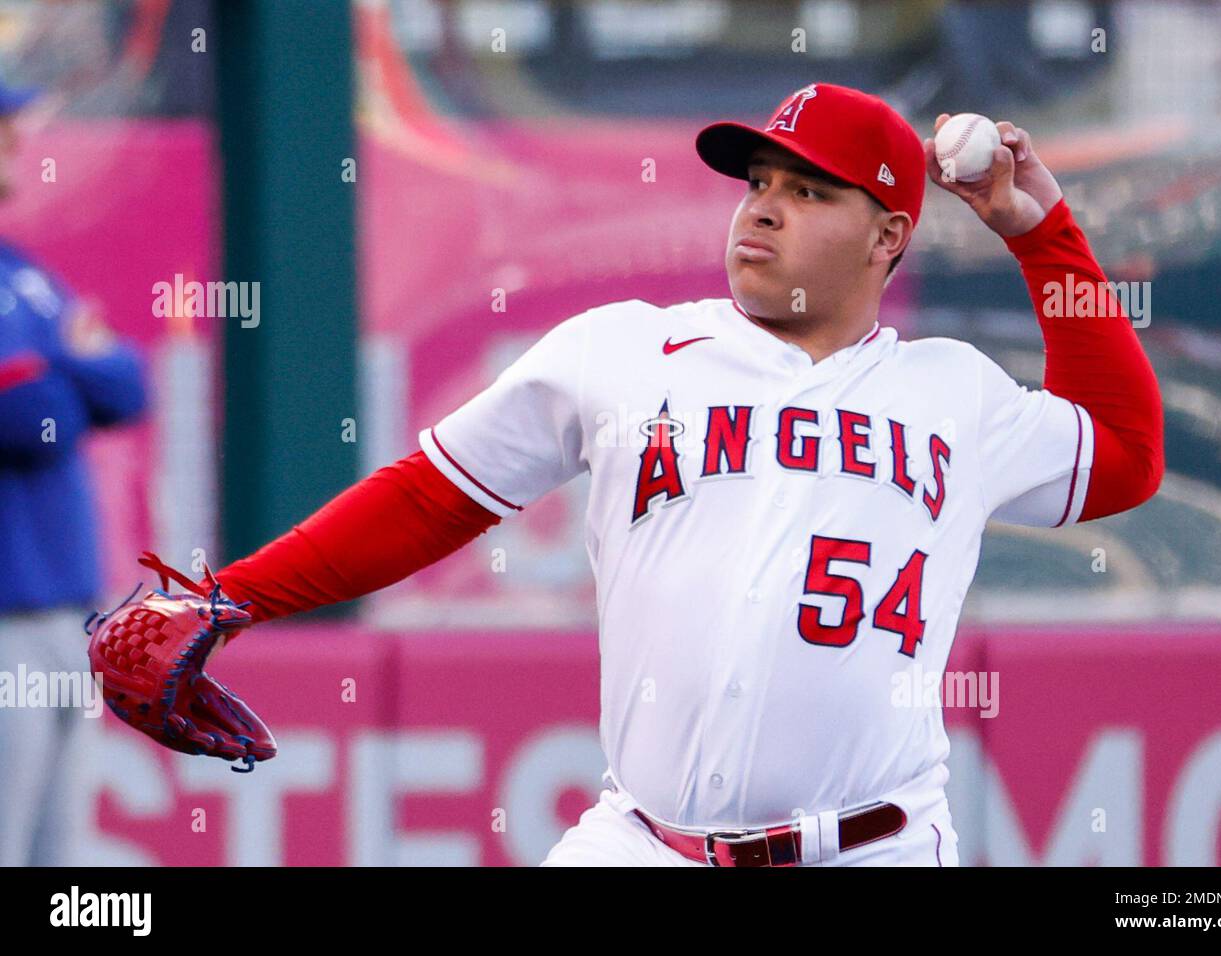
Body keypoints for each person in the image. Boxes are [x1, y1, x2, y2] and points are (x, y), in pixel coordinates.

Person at [200, 83, 1162, 866]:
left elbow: (1125, 454)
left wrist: (1042, 234)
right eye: (760, 182)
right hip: (643, 843)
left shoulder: (952, 390)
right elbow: (427, 496)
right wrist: (226, 600)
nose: (765, 209)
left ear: (888, 238)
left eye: (811, 191)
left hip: (875, 847)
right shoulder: (627, 351)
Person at [0, 81, 149, 866]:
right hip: (5, 624)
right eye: (8, 126)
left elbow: (127, 386)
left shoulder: (21, 270)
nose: (22, 141)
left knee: (60, 865)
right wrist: (71, 363)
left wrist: (53, 369)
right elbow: (28, 423)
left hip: (65, 615)